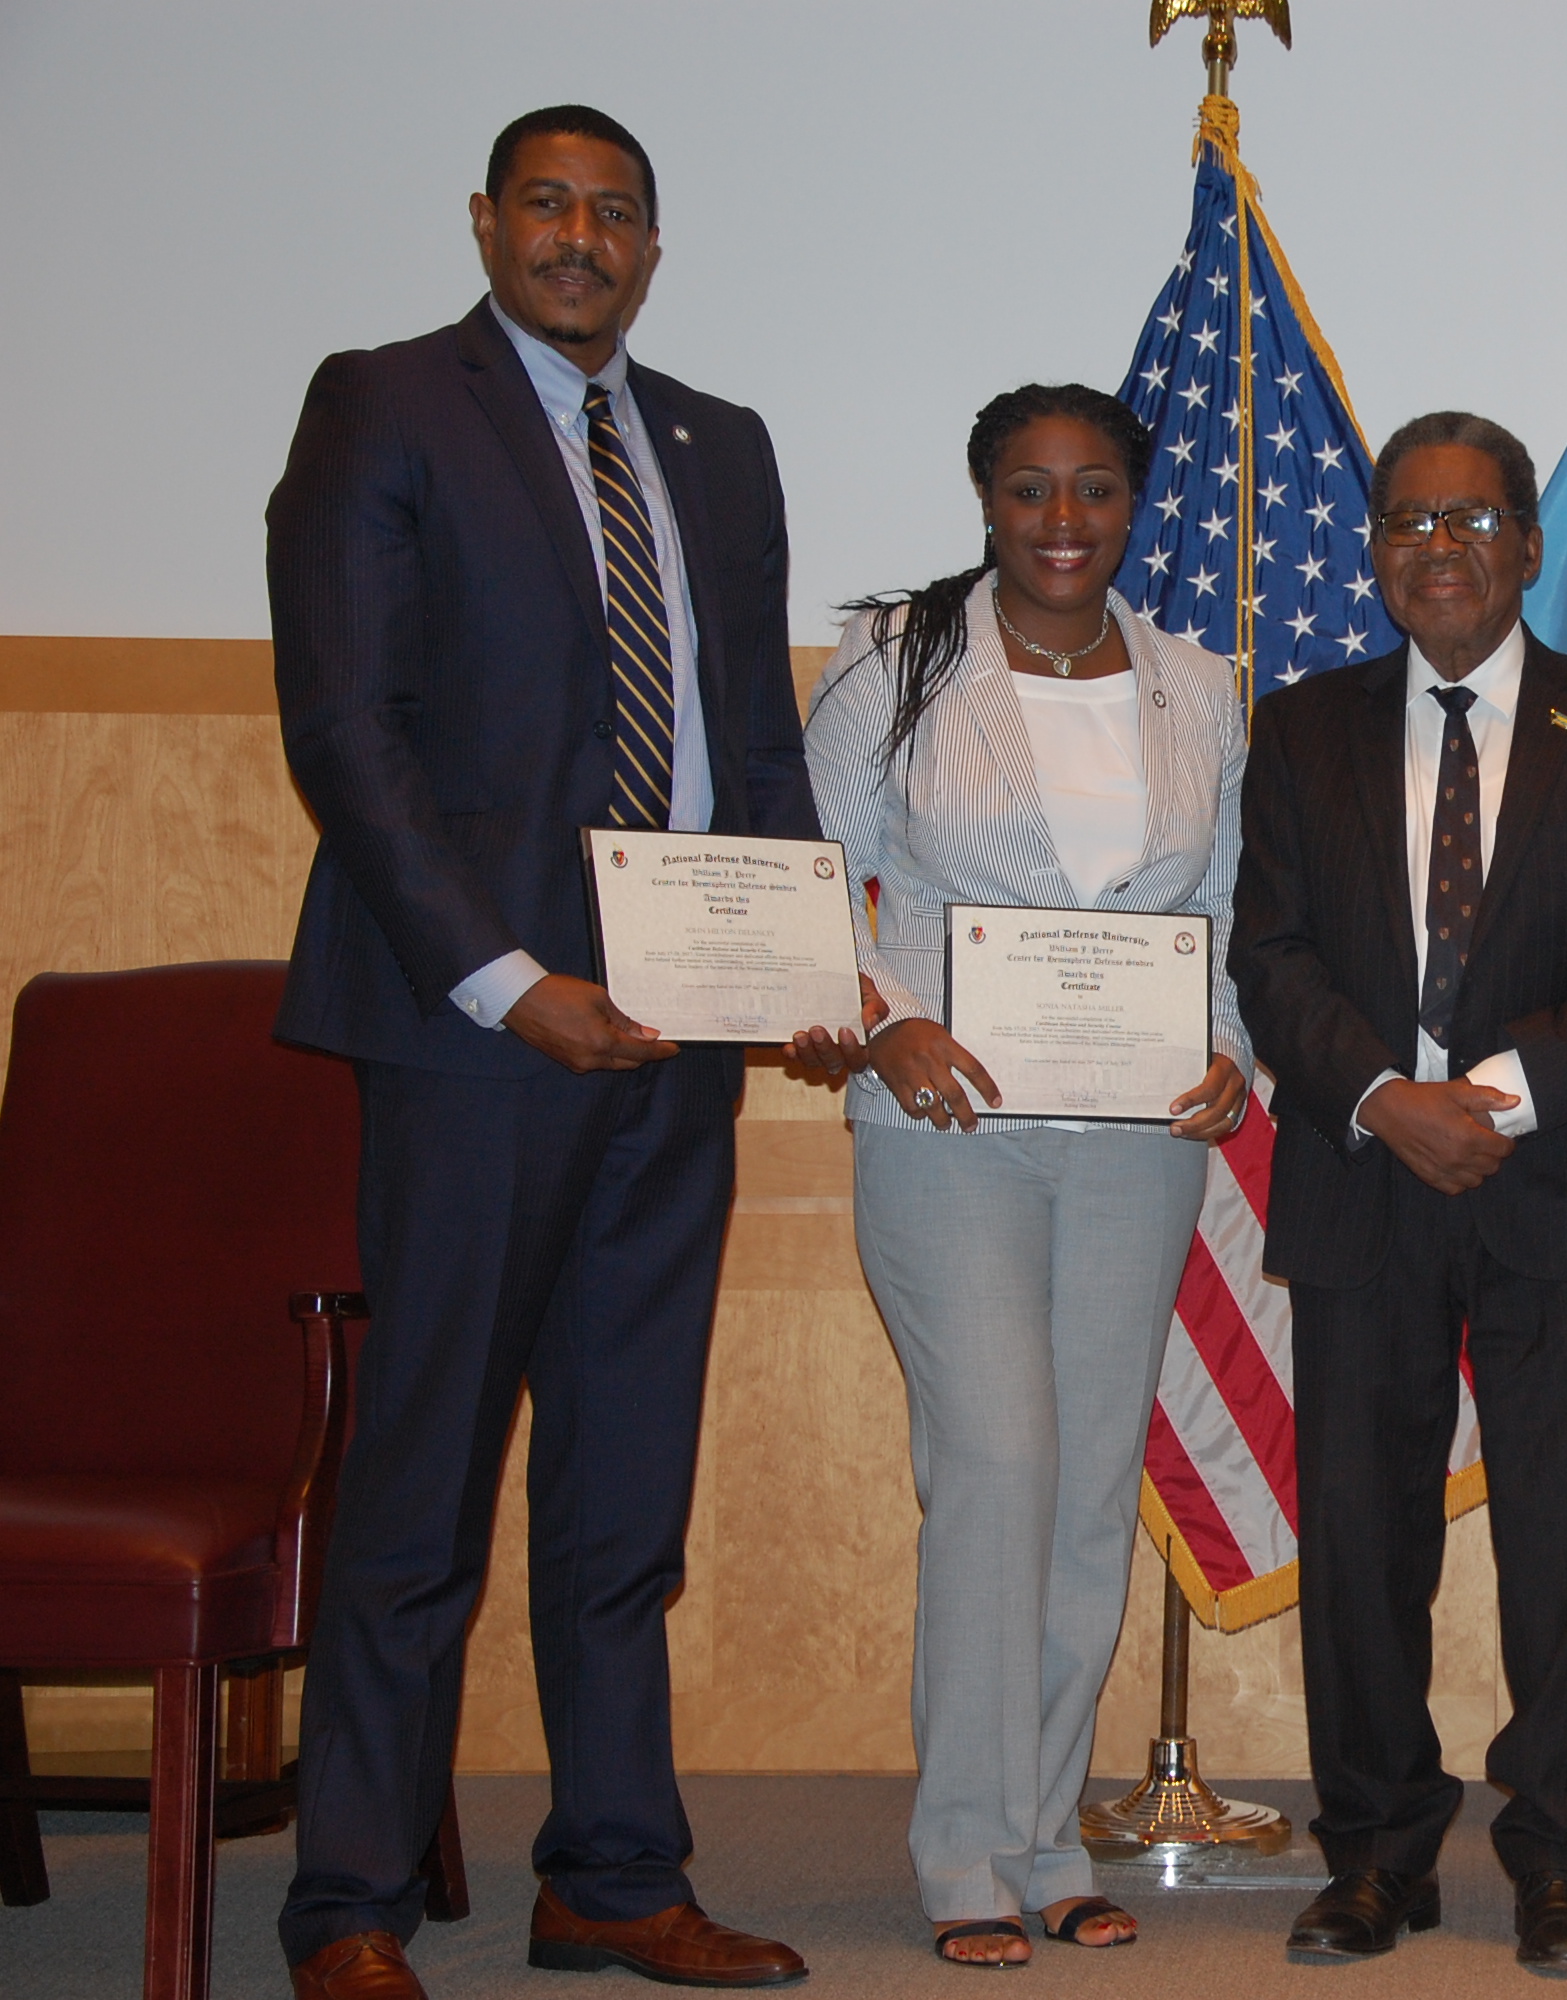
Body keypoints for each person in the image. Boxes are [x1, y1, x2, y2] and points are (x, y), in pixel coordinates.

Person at [267, 107, 812, 1998]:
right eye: (550, 205)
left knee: (624, 1486)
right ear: (488, 222)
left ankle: (612, 1876)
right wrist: (507, 980)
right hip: (474, 1043)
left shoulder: (720, 444)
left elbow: (752, 736)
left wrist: (796, 961)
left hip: (682, 1037)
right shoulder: (386, 404)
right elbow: (345, 730)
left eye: (618, 212)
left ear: (655, 246)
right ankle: (347, 1903)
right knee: (422, 1485)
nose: (583, 237)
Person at [1228, 411, 1567, 1975]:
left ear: (1531, 545)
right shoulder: (1300, 729)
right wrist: (1385, 1099)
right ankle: (1376, 1853)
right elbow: (1269, 953)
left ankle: (1561, 1859)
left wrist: (1494, 1095)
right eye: (1406, 521)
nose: (1436, 546)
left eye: (1472, 519)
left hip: (1552, 1178)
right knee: (1362, 1540)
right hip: (1365, 1174)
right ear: (1373, 550)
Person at [791, 383, 1250, 1968]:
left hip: (1136, 1140)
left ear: (1135, 503)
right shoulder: (895, 665)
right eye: (1032, 489)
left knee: (1089, 1487)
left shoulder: (1200, 685)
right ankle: (964, 1854)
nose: (1065, 520)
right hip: (950, 1129)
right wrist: (882, 1022)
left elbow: (1222, 914)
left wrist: (1227, 1052)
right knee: (995, 1467)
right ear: (987, 500)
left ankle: (1051, 1837)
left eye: (1096, 488)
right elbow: (816, 882)